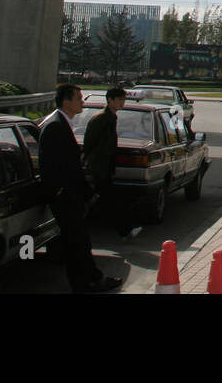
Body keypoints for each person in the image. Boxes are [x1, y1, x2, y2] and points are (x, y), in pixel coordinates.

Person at [40, 84, 122, 292]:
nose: (82, 102)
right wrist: (60, 192)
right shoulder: (55, 126)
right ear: (66, 102)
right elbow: (51, 166)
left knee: (78, 242)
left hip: (72, 195)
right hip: (65, 197)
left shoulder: (62, 123)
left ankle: (86, 281)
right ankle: (89, 281)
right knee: (77, 241)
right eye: (78, 98)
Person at [82, 87, 142, 242]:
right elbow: (89, 144)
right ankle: (125, 231)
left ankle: (123, 231)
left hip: (105, 168)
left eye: (124, 99)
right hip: (98, 168)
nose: (123, 102)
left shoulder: (111, 117)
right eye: (120, 99)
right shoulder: (101, 119)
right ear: (110, 100)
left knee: (103, 201)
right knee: (112, 201)